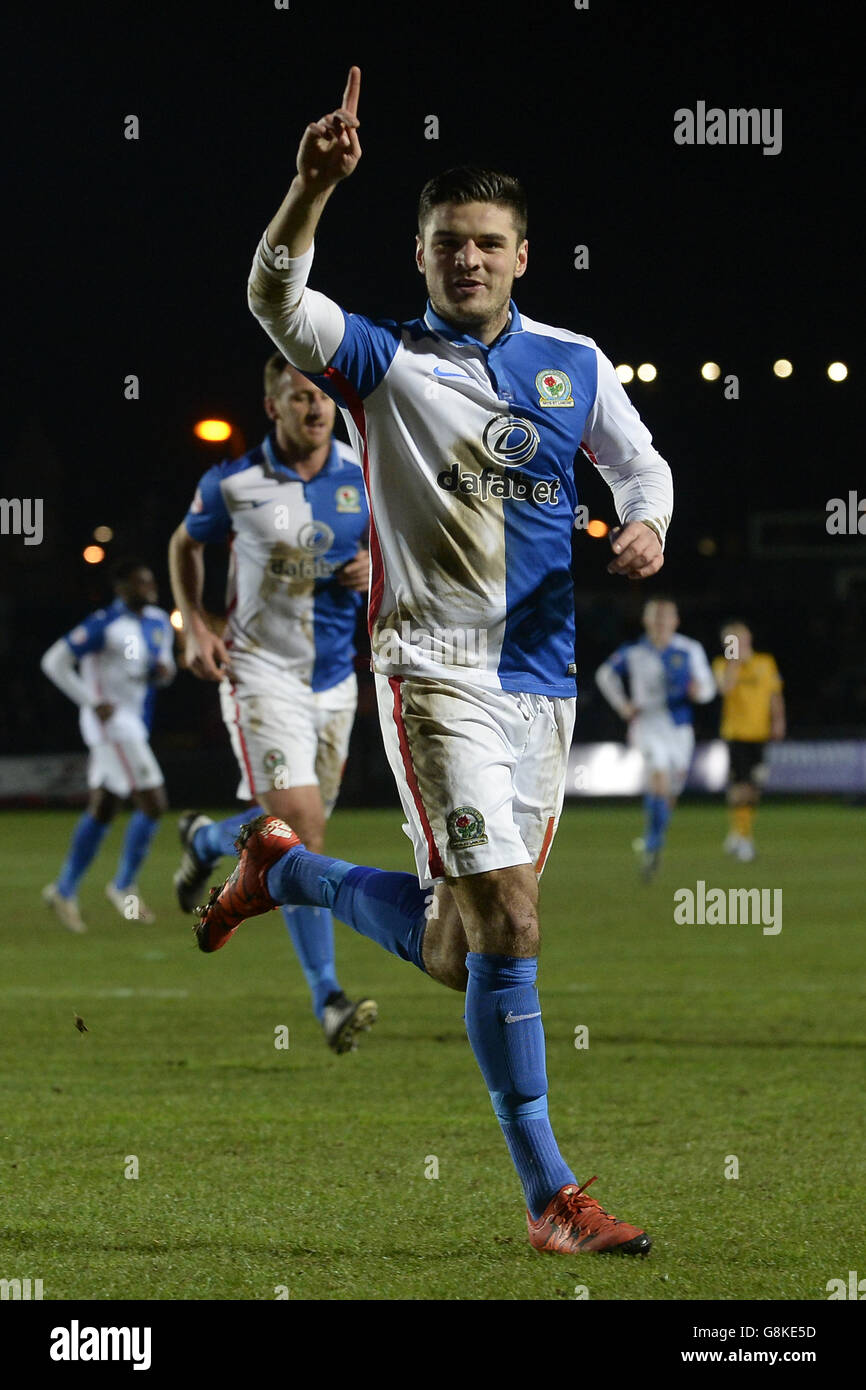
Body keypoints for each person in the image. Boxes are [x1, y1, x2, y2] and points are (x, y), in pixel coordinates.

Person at [202, 67, 674, 1255]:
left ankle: (286, 869)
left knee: (458, 943)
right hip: (433, 671)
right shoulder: (379, 363)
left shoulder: (575, 360)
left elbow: (641, 465)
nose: (466, 258)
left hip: (544, 684)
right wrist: (308, 192)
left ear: (522, 255)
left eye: (485, 242)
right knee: (510, 924)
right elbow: (273, 300)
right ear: (417, 256)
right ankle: (548, 1195)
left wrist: (645, 524)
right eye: (444, 243)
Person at [167, 354, 377, 1054]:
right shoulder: (235, 482)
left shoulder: (363, 472)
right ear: (273, 407)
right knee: (302, 830)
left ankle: (202, 838)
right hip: (260, 673)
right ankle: (327, 998)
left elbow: (407, 546)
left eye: (321, 398)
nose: (315, 409)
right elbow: (183, 544)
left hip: (335, 681)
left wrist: (379, 567)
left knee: (289, 830)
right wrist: (195, 621)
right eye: (298, 398)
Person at [40, 559, 175, 931]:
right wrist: (89, 700)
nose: (148, 588)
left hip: (136, 722)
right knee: (154, 802)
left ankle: (64, 890)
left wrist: (161, 674)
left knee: (104, 808)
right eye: (139, 582)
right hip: (112, 726)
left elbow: (162, 669)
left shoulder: (159, 621)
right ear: (121, 588)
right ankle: (123, 887)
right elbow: (54, 661)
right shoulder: (104, 624)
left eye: (150, 581)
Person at [595, 598, 716, 880]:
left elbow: (707, 685)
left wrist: (700, 692)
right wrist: (623, 705)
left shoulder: (689, 649)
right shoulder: (634, 652)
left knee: (671, 791)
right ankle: (652, 844)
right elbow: (604, 675)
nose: (661, 623)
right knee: (659, 775)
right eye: (655, 618)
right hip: (647, 724)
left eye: (666, 618)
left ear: (675, 621)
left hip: (679, 728)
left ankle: (654, 841)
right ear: (646, 621)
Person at [712, 620, 785, 862]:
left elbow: (775, 695)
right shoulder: (723, 665)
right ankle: (744, 839)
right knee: (741, 786)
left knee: (754, 789)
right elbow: (725, 688)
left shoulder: (765, 663)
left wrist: (778, 721)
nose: (739, 643)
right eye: (732, 640)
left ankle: (737, 832)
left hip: (760, 733)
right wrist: (734, 660)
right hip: (736, 734)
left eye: (741, 638)